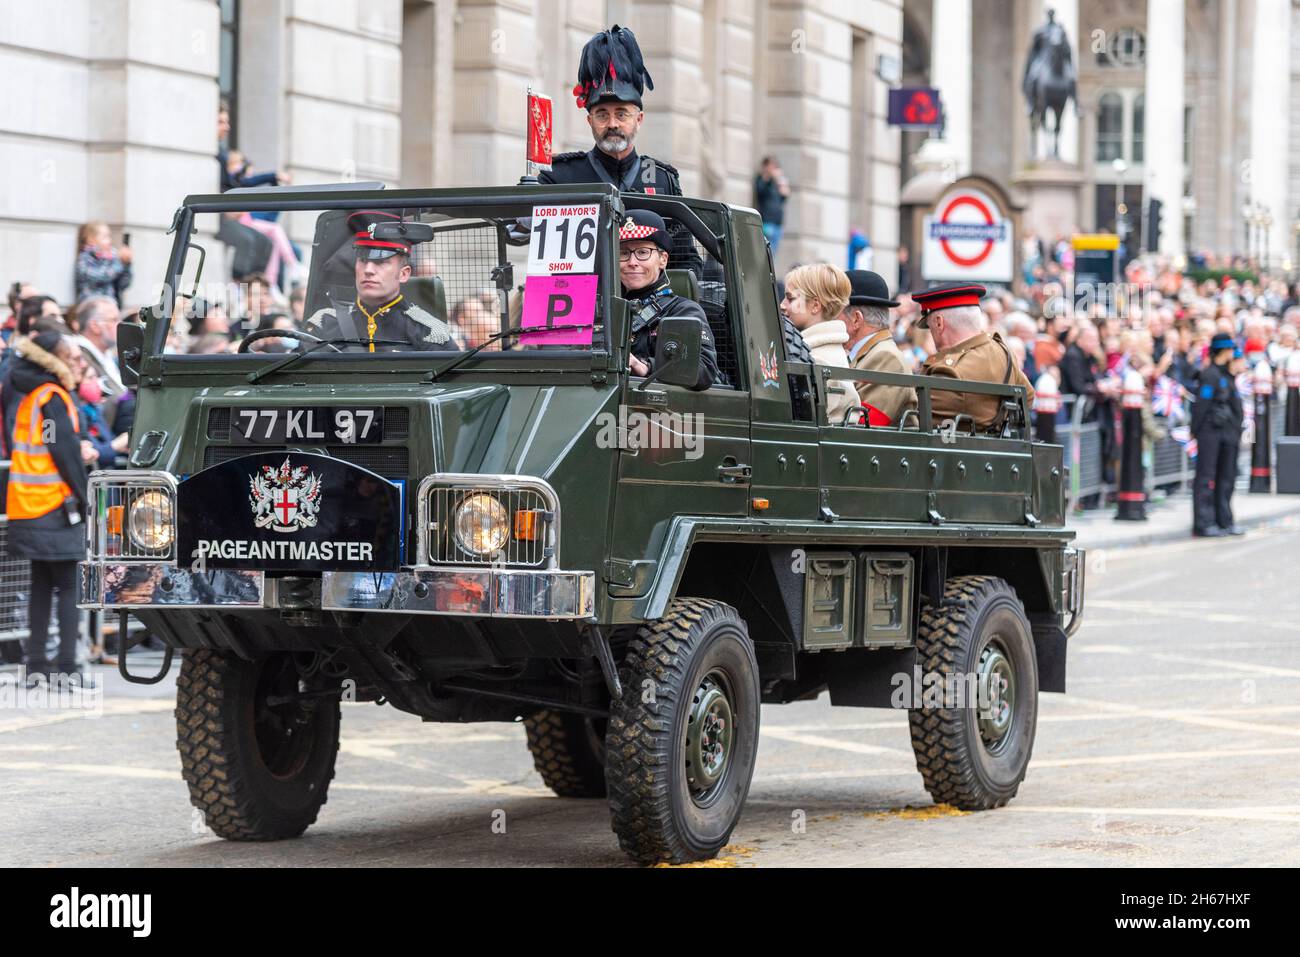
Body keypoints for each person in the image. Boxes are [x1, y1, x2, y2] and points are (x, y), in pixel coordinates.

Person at [539, 25, 702, 277]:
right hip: (577, 306)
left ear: (639, 119)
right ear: (589, 121)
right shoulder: (559, 177)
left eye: (622, 114)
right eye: (602, 114)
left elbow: (685, 260)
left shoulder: (662, 179)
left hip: (651, 311)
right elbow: (524, 234)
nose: (612, 123)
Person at [1, 332, 93, 685]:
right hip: (54, 503)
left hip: (26, 502)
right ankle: (68, 668)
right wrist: (84, 494)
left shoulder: (27, 393)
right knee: (70, 586)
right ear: (54, 359)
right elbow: (58, 446)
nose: (77, 362)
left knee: (41, 584)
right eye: (71, 355)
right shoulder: (51, 396)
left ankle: (37, 665)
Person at [304, 211, 456, 353]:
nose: (368, 270)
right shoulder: (324, 322)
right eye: (363, 260)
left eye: (381, 262)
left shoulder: (428, 331)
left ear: (403, 274)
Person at [913, 282, 1035, 431]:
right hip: (996, 450)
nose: (931, 333)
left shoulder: (949, 372)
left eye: (930, 326)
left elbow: (914, 419)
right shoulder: (1003, 352)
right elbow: (1028, 396)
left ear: (939, 323)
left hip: (953, 451)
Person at [619, 209, 717, 390]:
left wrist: (647, 366)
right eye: (623, 253)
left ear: (663, 259)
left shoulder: (683, 311)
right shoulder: (603, 308)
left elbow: (705, 369)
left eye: (642, 252)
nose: (632, 262)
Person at [781, 264, 856, 423]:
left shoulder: (818, 358)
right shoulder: (823, 351)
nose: (782, 305)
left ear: (815, 305)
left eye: (791, 298)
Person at [840, 270, 915, 424]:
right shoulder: (870, 353)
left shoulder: (886, 358)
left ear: (856, 319)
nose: (830, 319)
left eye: (835, 312)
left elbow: (864, 425)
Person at [1190, 332, 1245, 537]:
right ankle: (1204, 522)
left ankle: (1223, 520)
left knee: (1225, 478)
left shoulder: (1225, 375)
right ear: (1224, 351)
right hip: (1210, 433)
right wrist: (1195, 430)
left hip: (1226, 433)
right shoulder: (1211, 375)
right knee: (1206, 478)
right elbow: (1202, 405)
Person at [74, 222, 133, 305]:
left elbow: (123, 284)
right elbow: (102, 276)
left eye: (109, 236)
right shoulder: (85, 258)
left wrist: (127, 264)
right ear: (90, 239)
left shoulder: (112, 258)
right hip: (91, 306)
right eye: (105, 237)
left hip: (111, 305)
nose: (110, 241)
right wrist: (119, 263)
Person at [753, 157, 790, 253]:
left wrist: (783, 187)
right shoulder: (761, 179)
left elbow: (783, 198)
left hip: (777, 222)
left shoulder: (777, 182)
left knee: (773, 252)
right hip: (766, 221)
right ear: (765, 167)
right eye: (770, 166)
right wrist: (769, 178)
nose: (773, 169)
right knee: (766, 251)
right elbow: (760, 192)